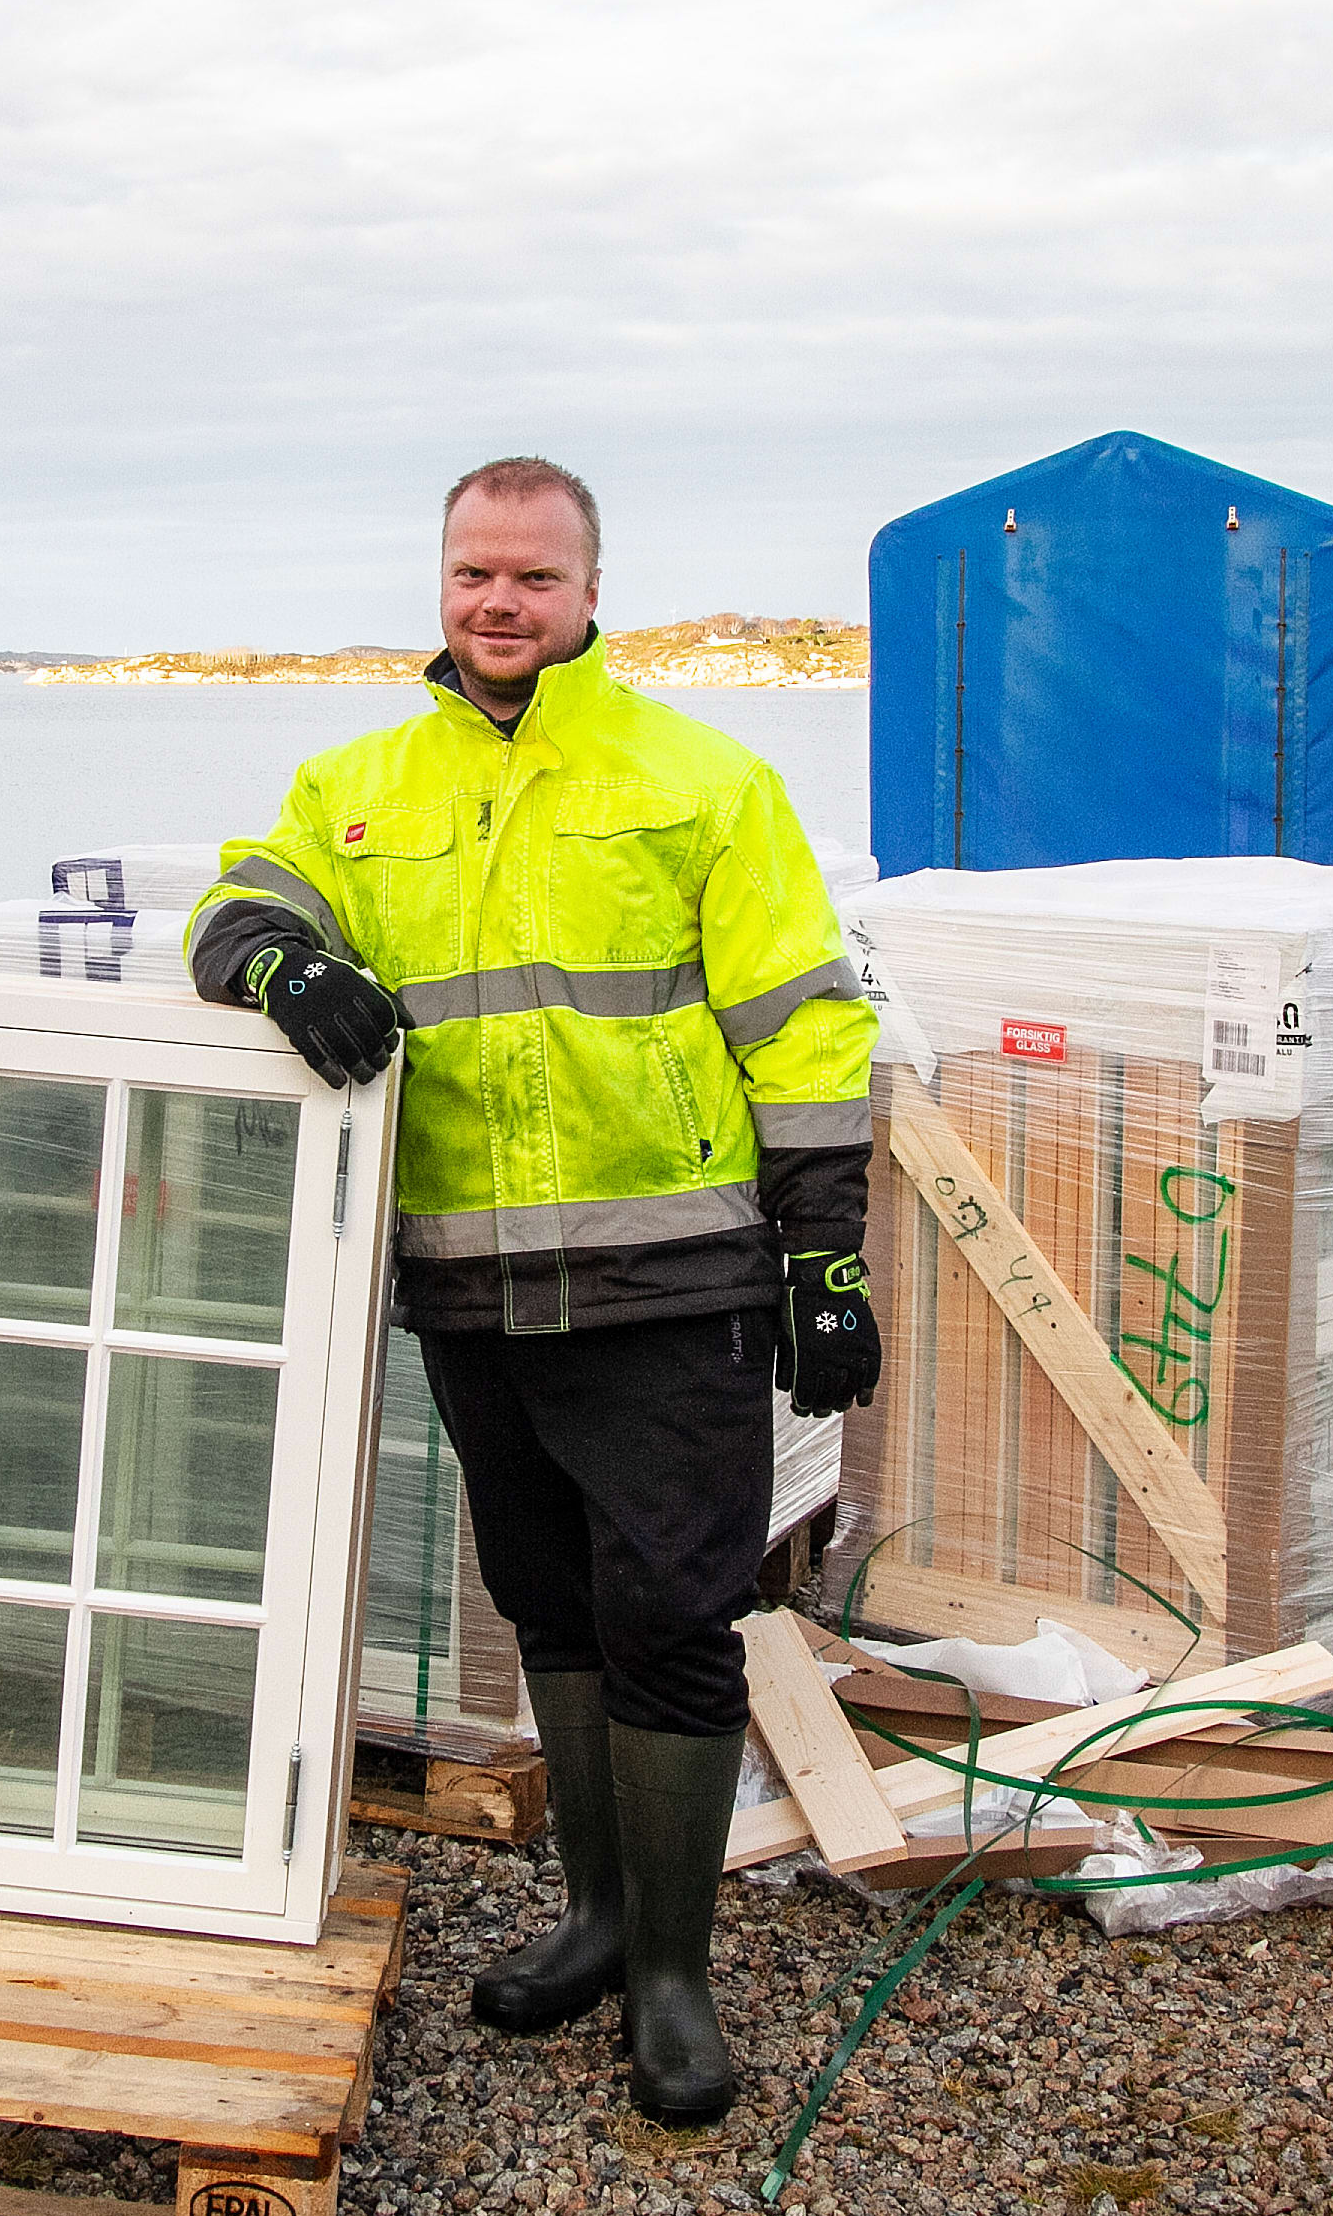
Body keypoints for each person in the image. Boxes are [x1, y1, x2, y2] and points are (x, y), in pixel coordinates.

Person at [189, 457, 882, 2124]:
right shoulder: (359, 786)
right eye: (472, 575)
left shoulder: (697, 778)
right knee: (551, 1605)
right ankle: (589, 1917)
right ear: (443, 582)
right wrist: (286, 963)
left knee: (673, 1613)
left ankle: (673, 1975)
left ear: (589, 593)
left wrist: (827, 1249)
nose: (499, 604)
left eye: (533, 579)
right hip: (472, 1292)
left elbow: (805, 1020)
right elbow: (233, 902)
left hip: (667, 1287)